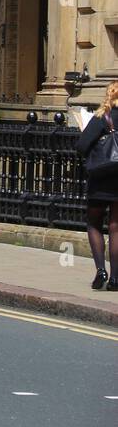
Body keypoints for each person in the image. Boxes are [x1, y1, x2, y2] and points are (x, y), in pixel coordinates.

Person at [77, 80, 118, 291]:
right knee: (116, 226)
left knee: (94, 223)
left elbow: (82, 145)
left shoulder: (102, 117)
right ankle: (115, 279)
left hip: (101, 178)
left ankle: (100, 270)